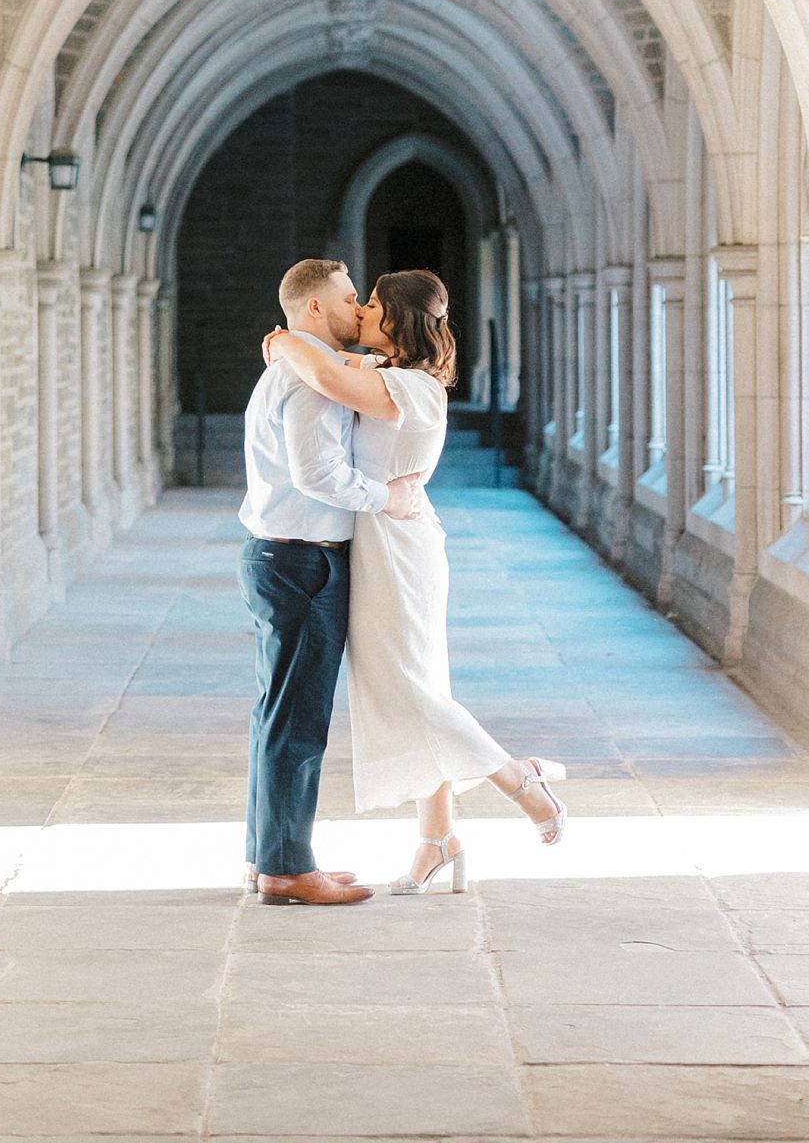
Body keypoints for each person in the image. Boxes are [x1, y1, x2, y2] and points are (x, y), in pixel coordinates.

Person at [265, 268, 566, 896]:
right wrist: (302, 344)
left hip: (399, 543)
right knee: (414, 683)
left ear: (398, 320)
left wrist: (288, 341)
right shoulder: (385, 373)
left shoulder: (411, 387)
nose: (364, 311)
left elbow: (326, 374)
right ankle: (438, 838)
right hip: (379, 537)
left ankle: (520, 782)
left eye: (372, 304)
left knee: (412, 689)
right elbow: (339, 368)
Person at [238, 256, 424, 907]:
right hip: (303, 560)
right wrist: (387, 500)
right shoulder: (312, 377)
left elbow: (375, 371)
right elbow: (317, 474)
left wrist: (286, 339)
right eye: (349, 297)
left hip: (281, 554)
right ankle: (286, 869)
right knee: (298, 720)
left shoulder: (304, 362)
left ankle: (266, 857)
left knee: (277, 712)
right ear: (314, 307)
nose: (358, 308)